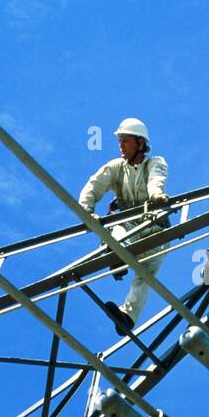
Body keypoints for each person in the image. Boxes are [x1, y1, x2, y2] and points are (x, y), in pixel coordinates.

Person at [78, 118, 171, 331]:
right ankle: (117, 255)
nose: (121, 146)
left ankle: (127, 317)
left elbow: (156, 181)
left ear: (140, 143)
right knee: (116, 228)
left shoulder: (155, 162)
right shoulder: (115, 168)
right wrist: (88, 212)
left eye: (125, 141)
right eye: (120, 141)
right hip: (129, 227)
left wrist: (157, 196)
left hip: (156, 230)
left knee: (146, 274)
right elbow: (92, 187)